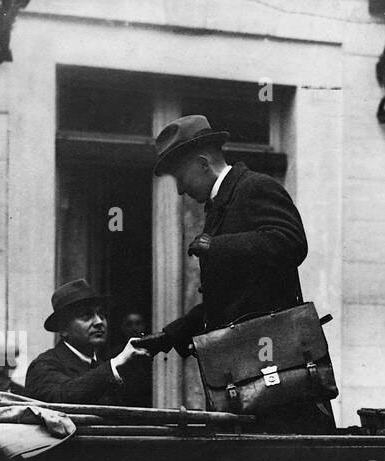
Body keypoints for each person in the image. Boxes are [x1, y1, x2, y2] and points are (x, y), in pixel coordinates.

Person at [135, 114, 333, 433]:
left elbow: (292, 243)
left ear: (202, 163)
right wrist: (171, 335)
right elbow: (228, 299)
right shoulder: (220, 206)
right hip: (248, 374)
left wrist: (218, 246)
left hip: (278, 374)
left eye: (180, 177)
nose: (181, 190)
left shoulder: (255, 187)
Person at [24, 280, 151, 405]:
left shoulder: (102, 366)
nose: (99, 322)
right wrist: (114, 365)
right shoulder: (44, 365)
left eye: (101, 314)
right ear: (63, 328)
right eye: (86, 315)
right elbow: (63, 396)